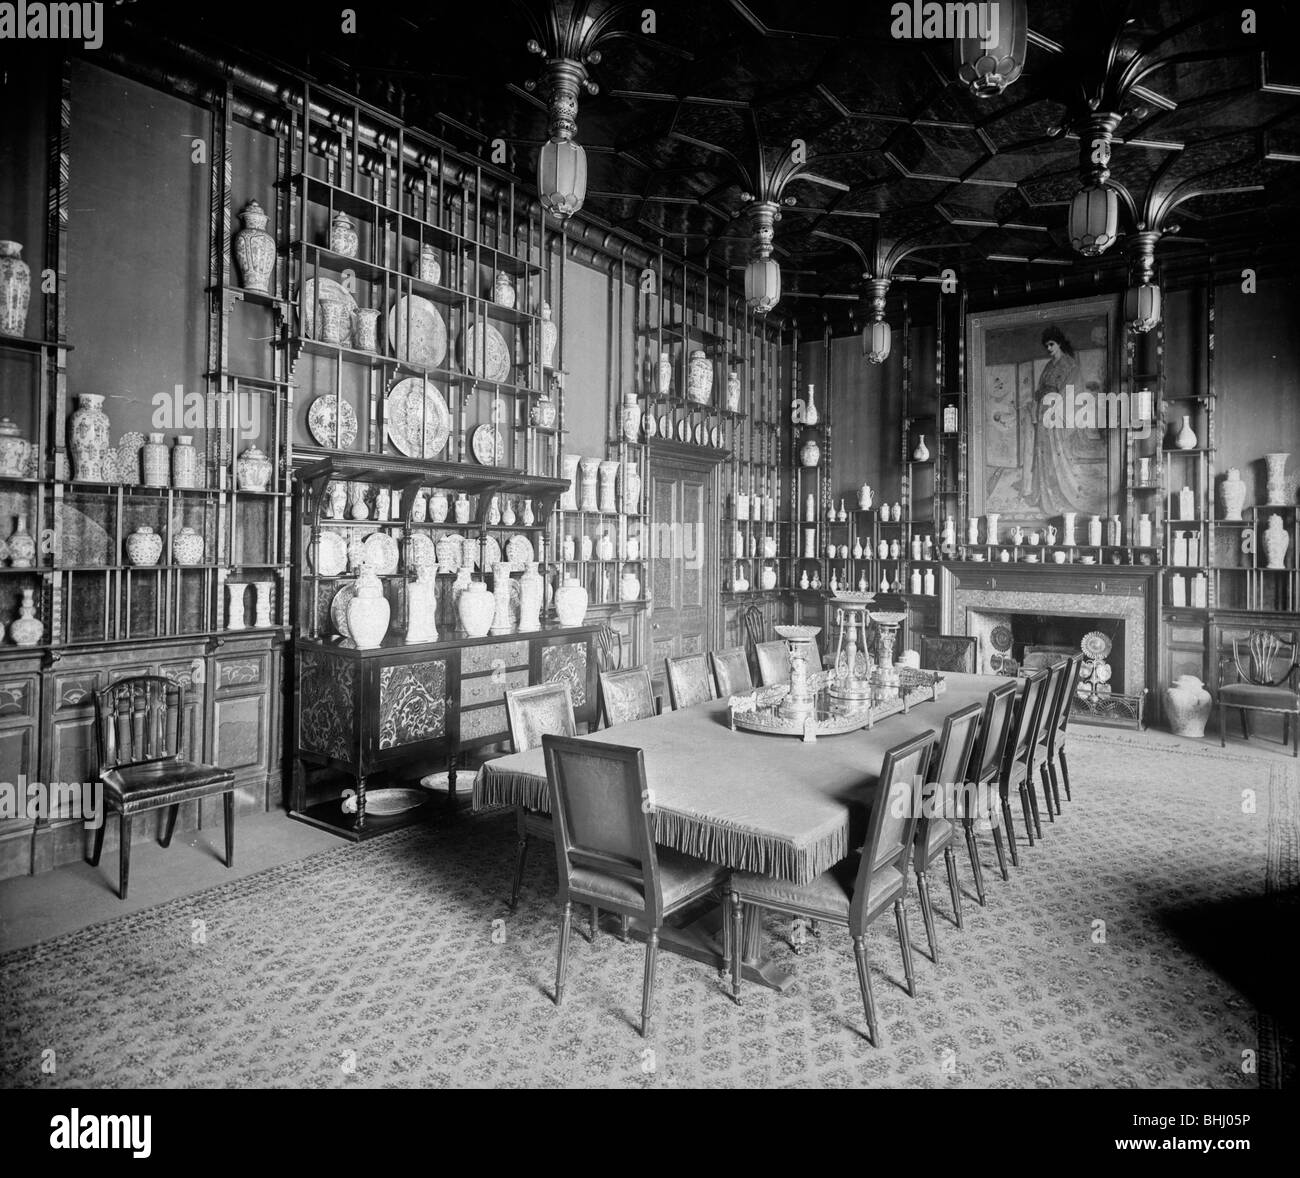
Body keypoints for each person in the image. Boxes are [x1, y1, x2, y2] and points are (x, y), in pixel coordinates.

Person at [1025, 325, 1093, 515]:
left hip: (1056, 412)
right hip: (1043, 411)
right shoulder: (1048, 366)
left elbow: (1071, 391)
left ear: (1059, 343)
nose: (1048, 348)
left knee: (1056, 452)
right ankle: (1045, 493)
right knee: (1042, 451)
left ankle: (1061, 492)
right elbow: (1040, 388)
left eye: (1051, 344)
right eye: (1046, 345)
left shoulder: (1070, 365)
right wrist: (1037, 402)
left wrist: (1056, 408)